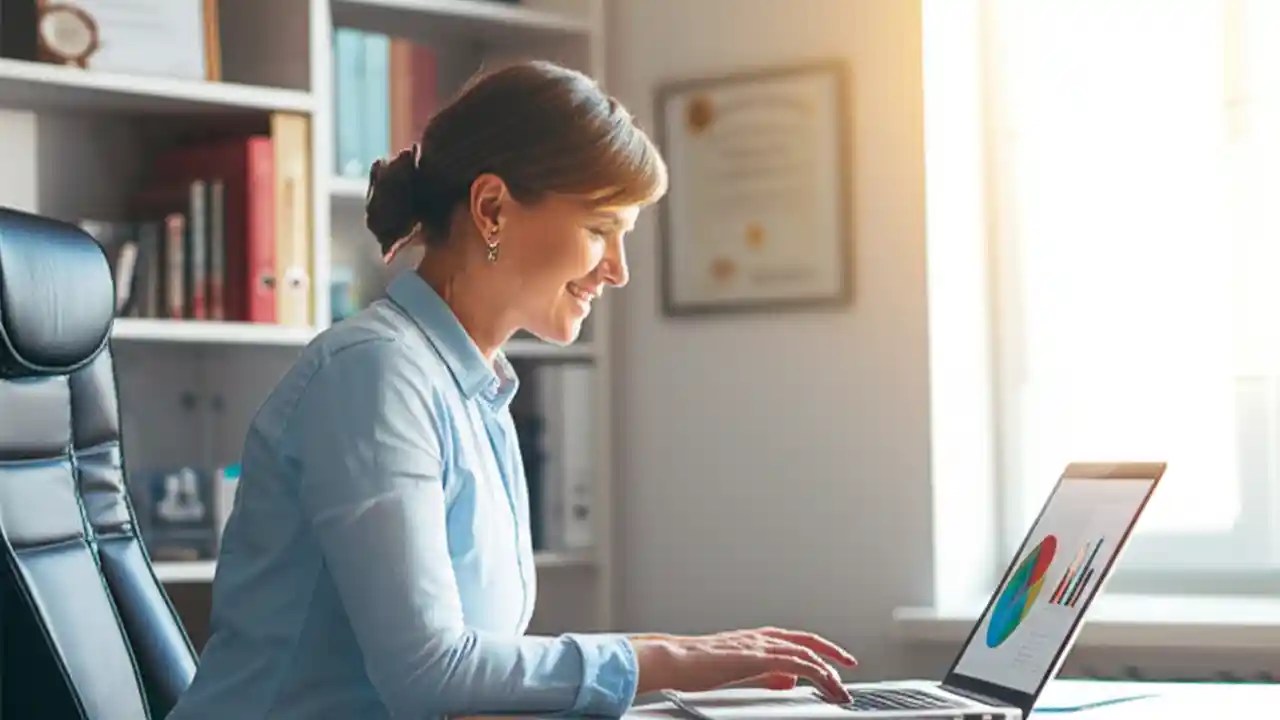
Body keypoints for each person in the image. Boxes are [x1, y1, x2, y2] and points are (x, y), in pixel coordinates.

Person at [165, 60, 857, 720]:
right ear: (492, 208)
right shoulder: (376, 376)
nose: (617, 271)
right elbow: (429, 671)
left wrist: (677, 667)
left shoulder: (473, 392)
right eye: (600, 230)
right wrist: (669, 657)